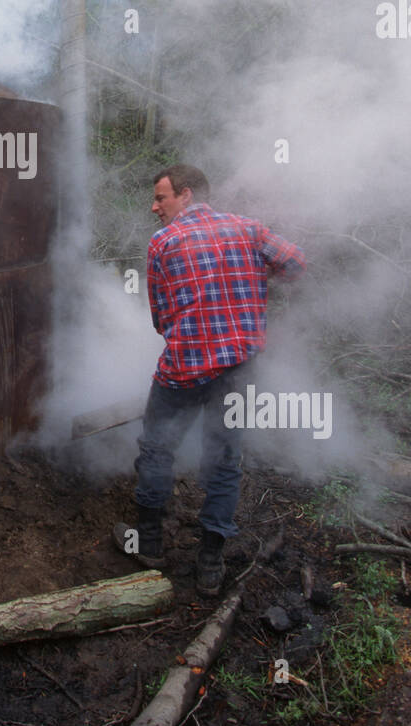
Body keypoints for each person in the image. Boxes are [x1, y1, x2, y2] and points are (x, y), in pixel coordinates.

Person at [113, 165, 305, 596]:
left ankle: (150, 544)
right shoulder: (249, 229)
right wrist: (256, 278)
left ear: (186, 194)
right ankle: (210, 565)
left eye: (161, 198)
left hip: (183, 369)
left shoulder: (163, 242)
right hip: (237, 370)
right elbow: (296, 263)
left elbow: (161, 319)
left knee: (158, 449)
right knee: (224, 461)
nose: (154, 206)